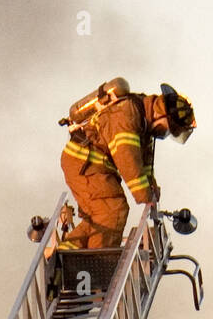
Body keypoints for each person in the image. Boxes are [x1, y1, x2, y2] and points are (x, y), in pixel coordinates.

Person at [56, 80, 196, 251]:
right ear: (161, 113)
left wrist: (151, 184)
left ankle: (66, 253)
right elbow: (127, 158)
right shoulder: (126, 114)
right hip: (84, 162)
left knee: (100, 217)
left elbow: (143, 160)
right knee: (113, 210)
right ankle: (97, 262)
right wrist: (144, 195)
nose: (166, 134)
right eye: (170, 128)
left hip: (92, 165)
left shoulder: (143, 120)